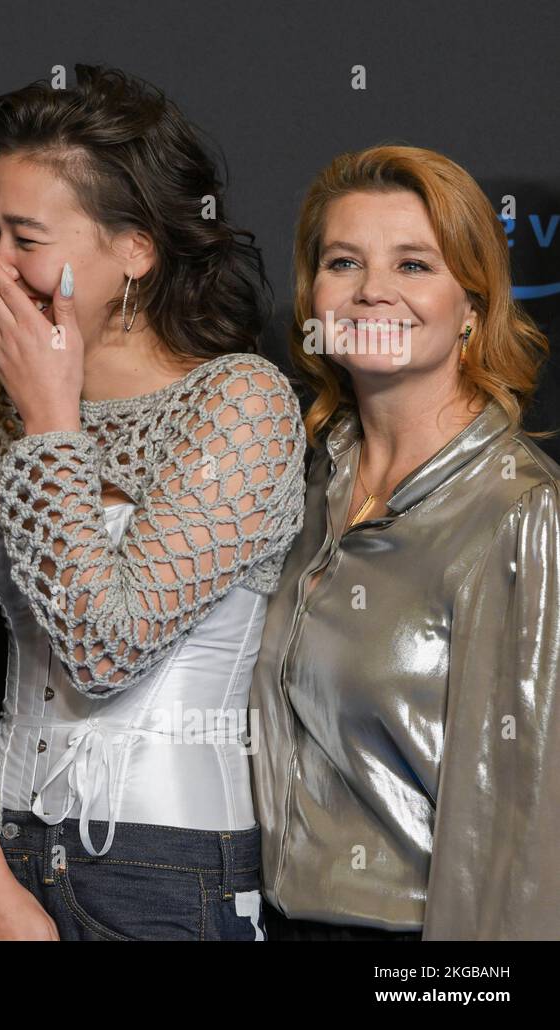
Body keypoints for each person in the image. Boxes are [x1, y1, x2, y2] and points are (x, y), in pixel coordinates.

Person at [0, 65, 307, 940]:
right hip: (0, 858)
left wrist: (48, 414)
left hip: (170, 872)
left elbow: (102, 650)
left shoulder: (239, 402)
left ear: (136, 249)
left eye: (25, 237)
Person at [250, 144, 560, 941]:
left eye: (414, 264)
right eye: (344, 261)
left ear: (472, 305)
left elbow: (520, 836)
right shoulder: (307, 483)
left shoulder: (519, 509)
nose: (373, 290)